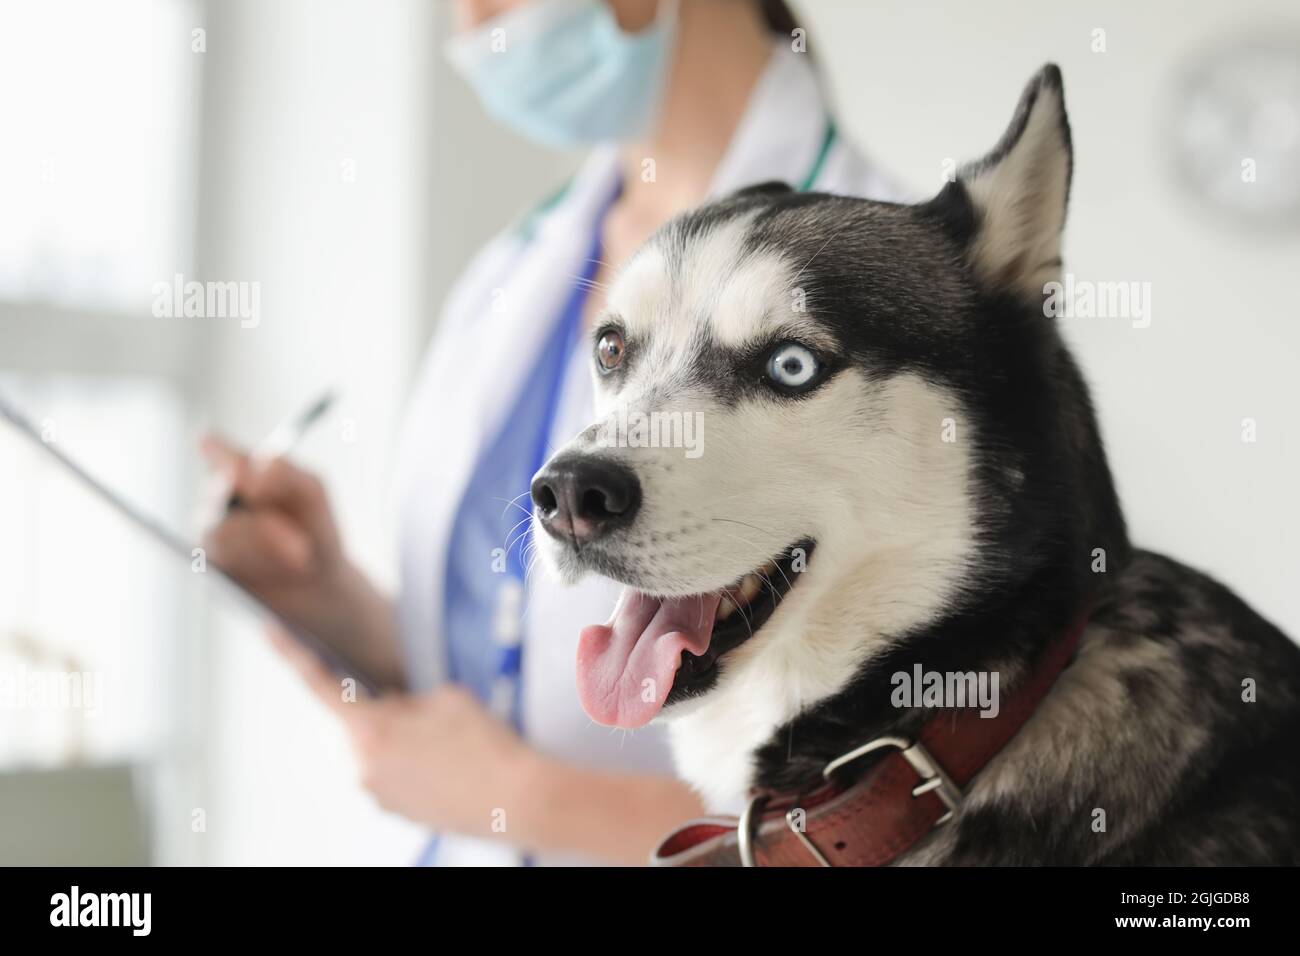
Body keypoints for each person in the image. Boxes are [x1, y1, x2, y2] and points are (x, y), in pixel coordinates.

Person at [201, 0, 894, 866]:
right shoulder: (519, 267)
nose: (471, 22)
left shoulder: (901, 297)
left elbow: (920, 813)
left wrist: (523, 802)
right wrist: (329, 596)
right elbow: (514, 660)